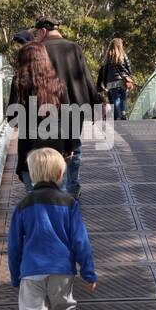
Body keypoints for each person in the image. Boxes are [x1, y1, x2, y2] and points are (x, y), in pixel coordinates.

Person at [8, 147, 99, 310]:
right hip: (62, 270)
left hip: (31, 272)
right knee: (63, 307)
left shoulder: (23, 206)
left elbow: (14, 245)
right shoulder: (69, 203)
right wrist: (88, 272)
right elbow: (80, 240)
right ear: (61, 173)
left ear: (33, 175)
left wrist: (15, 276)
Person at [34, 13, 99, 197]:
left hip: (47, 108)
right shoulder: (73, 47)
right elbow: (86, 77)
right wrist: (95, 105)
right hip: (75, 106)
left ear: (43, 31)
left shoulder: (38, 49)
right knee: (74, 148)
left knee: (52, 150)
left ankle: (57, 191)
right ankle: (72, 189)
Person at [7, 41, 77, 193]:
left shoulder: (18, 83)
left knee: (34, 199)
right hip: (56, 147)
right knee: (59, 196)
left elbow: (12, 118)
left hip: (29, 148)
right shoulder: (57, 82)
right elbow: (68, 117)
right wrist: (70, 146)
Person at [97, 38, 134, 121]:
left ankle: (117, 116)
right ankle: (123, 113)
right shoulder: (123, 55)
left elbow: (105, 70)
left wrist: (105, 82)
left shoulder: (108, 56)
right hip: (122, 81)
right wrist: (129, 77)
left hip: (111, 82)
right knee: (123, 98)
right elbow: (128, 67)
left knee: (115, 99)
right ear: (120, 45)